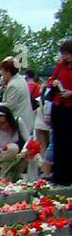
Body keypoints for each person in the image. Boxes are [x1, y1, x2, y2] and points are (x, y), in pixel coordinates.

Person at [47, 38, 72, 186]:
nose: (65, 57)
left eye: (67, 54)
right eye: (63, 54)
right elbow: (51, 81)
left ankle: (68, 174)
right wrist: (54, 83)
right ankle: (58, 173)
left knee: (69, 141)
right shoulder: (61, 66)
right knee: (57, 140)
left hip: (70, 107)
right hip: (59, 105)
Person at [0, 103, 31, 182]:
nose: (1, 126)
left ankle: (16, 176)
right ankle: (7, 177)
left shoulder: (18, 122)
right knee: (12, 148)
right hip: (1, 154)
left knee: (29, 152)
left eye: (3, 123)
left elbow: (28, 139)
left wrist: (24, 151)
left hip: (18, 154)